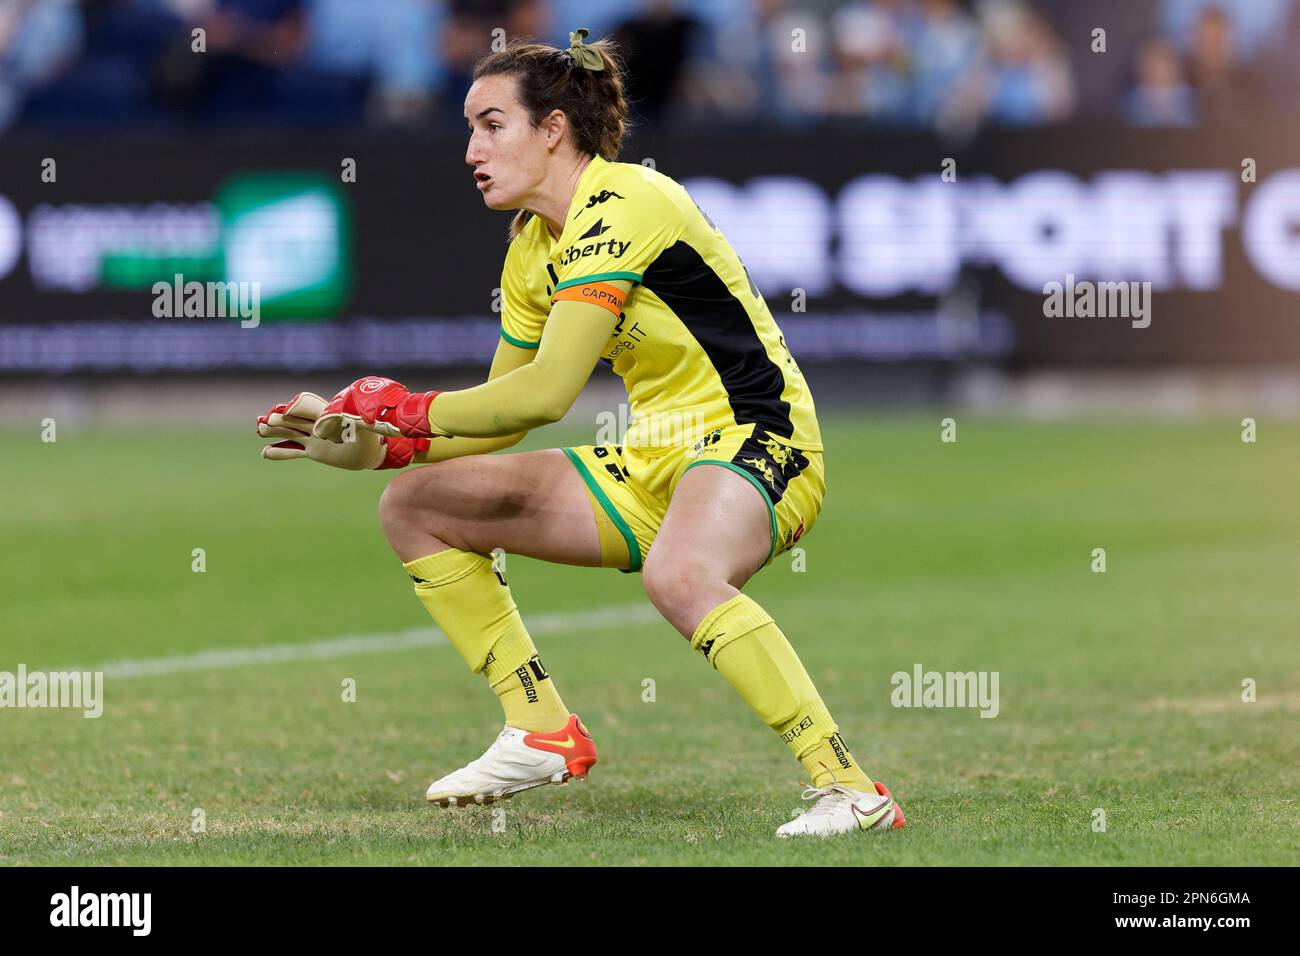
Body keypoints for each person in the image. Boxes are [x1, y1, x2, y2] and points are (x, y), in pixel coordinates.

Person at [257, 28, 903, 838]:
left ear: (553, 129)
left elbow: (548, 393)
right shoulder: (532, 251)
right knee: (415, 504)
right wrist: (377, 445)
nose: (470, 150)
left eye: (492, 124)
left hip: (758, 439)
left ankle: (851, 790)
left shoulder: (626, 199)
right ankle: (540, 729)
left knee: (680, 575)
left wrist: (409, 410)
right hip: (650, 462)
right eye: (469, 128)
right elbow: (501, 411)